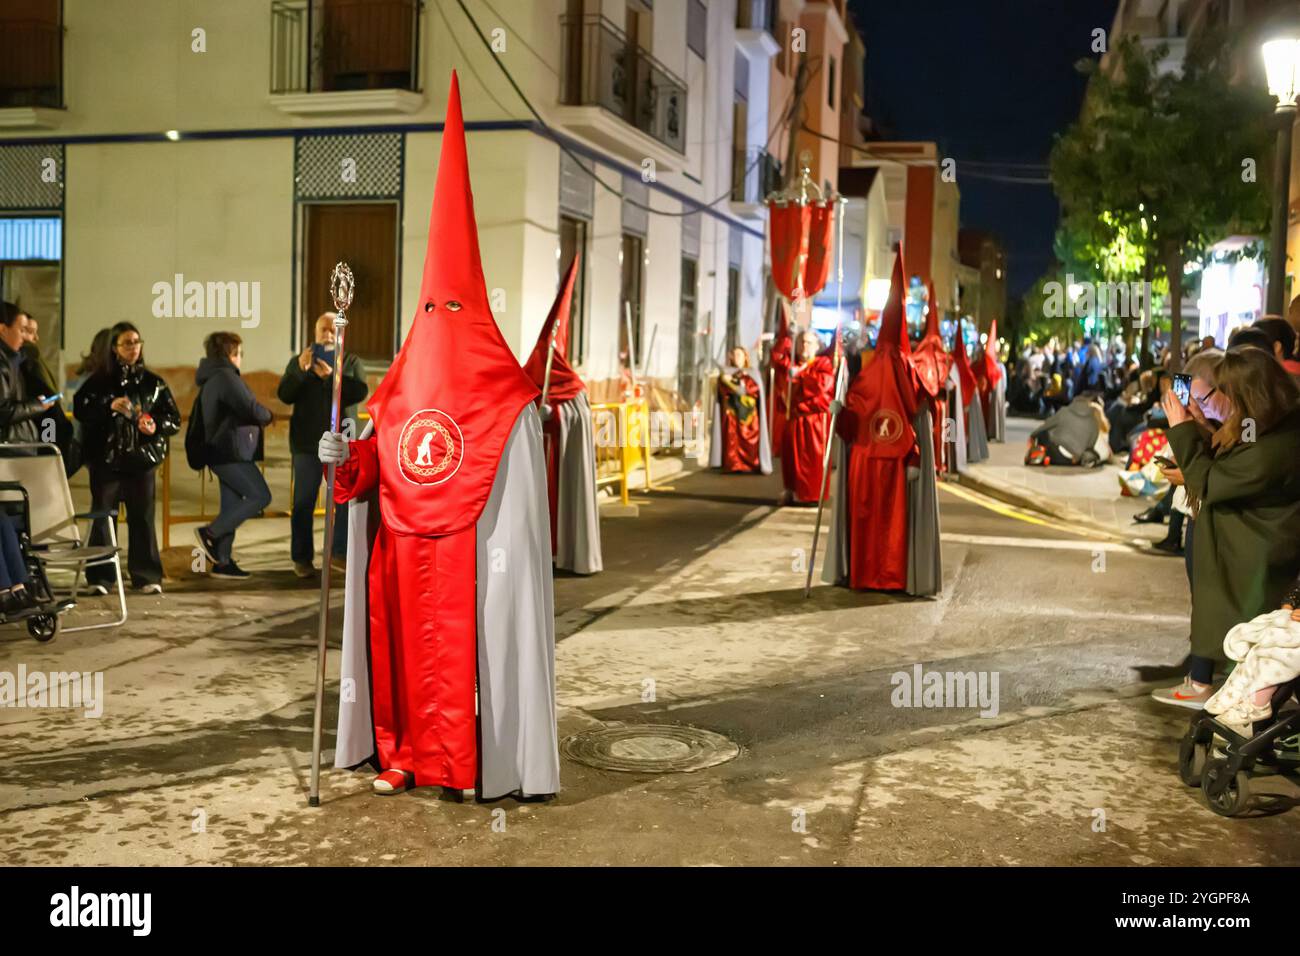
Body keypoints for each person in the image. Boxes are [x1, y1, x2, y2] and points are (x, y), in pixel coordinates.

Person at [317, 72, 559, 800]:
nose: (439, 316)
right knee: (396, 655)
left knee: (461, 655)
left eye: (452, 304)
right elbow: (367, 473)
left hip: (470, 553)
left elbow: (515, 480)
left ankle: (463, 764)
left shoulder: (507, 396)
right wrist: (342, 457)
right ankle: (400, 755)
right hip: (398, 546)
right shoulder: (396, 388)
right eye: (431, 305)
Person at [1151, 346, 1300, 708]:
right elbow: (1231, 458)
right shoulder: (1262, 422)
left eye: (1229, 393)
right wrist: (1202, 430)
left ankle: (1243, 698)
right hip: (1249, 542)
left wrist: (1183, 430)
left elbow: (1218, 479)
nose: (1228, 402)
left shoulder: (1275, 442)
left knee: (1243, 624)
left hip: (1255, 550)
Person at [73, 322, 181, 594]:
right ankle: (101, 577)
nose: (133, 348)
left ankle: (146, 576)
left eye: (136, 342)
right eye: (127, 343)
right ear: (114, 348)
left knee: (142, 518)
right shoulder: (98, 383)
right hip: (106, 461)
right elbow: (81, 409)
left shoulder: (153, 383)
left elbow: (173, 419)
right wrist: (108, 406)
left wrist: (155, 425)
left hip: (142, 460)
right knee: (102, 518)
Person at [523, 254, 603, 574]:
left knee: (561, 508)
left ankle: (566, 553)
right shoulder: (531, 376)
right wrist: (531, 415)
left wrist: (554, 415)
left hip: (560, 464)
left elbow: (577, 422)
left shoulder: (573, 386)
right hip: (537, 463)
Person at [277, 312, 368, 578]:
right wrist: (298, 370)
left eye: (332, 330)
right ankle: (302, 558)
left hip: (340, 443)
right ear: (314, 332)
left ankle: (340, 553)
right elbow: (284, 394)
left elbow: (359, 391)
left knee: (342, 499)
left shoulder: (350, 361)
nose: (327, 335)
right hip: (306, 445)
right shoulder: (301, 361)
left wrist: (332, 378)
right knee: (304, 501)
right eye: (323, 330)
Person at [192, 332, 273, 580]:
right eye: (239, 353)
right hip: (230, 451)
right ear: (230, 353)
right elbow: (249, 407)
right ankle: (211, 533)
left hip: (222, 450)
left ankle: (222, 561)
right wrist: (268, 415)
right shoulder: (226, 378)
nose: (240, 358)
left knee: (231, 504)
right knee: (260, 495)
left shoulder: (214, 377)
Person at [779, 330, 834, 504]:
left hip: (813, 420)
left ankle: (809, 493)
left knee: (809, 460)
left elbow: (821, 386)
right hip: (794, 418)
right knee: (791, 458)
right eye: (802, 342)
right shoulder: (793, 364)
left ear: (817, 346)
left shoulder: (822, 363)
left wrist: (799, 377)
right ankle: (792, 489)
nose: (805, 346)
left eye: (809, 342)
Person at [710, 345, 772, 475]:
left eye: (740, 354)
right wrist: (726, 380)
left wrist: (736, 382)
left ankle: (751, 464)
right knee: (732, 443)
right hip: (731, 416)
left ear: (745, 357)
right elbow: (722, 392)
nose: (737, 357)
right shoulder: (725, 372)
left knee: (750, 444)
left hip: (749, 417)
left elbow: (754, 389)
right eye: (735, 354)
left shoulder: (753, 373)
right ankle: (733, 464)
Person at [0, 302, 54, 445]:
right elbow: (3, 411)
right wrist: (38, 405)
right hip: (10, 446)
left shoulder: (13, 360)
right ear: (3, 329)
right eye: (23, 330)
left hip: (19, 441)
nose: (29, 338)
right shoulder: (11, 362)